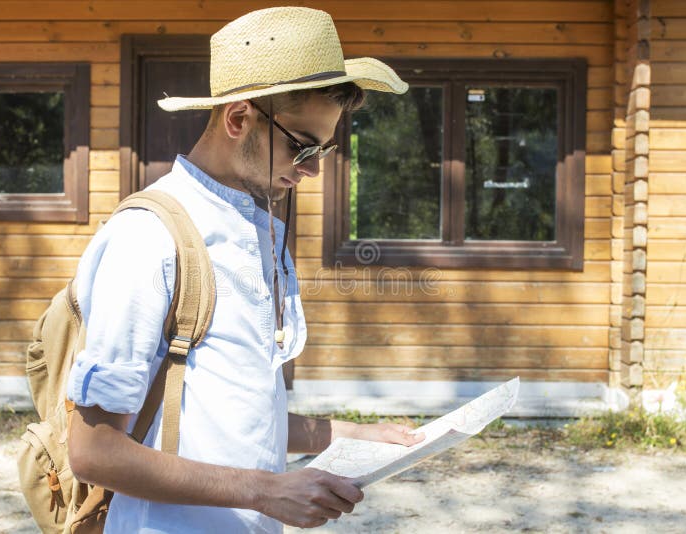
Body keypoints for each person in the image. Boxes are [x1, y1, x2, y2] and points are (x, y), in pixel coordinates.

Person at [66, 6, 424, 532]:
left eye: (324, 147)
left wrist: (352, 434)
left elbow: (233, 416)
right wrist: (267, 492)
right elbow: (94, 451)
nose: (315, 167)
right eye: (303, 145)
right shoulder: (150, 237)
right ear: (238, 119)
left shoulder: (259, 225)